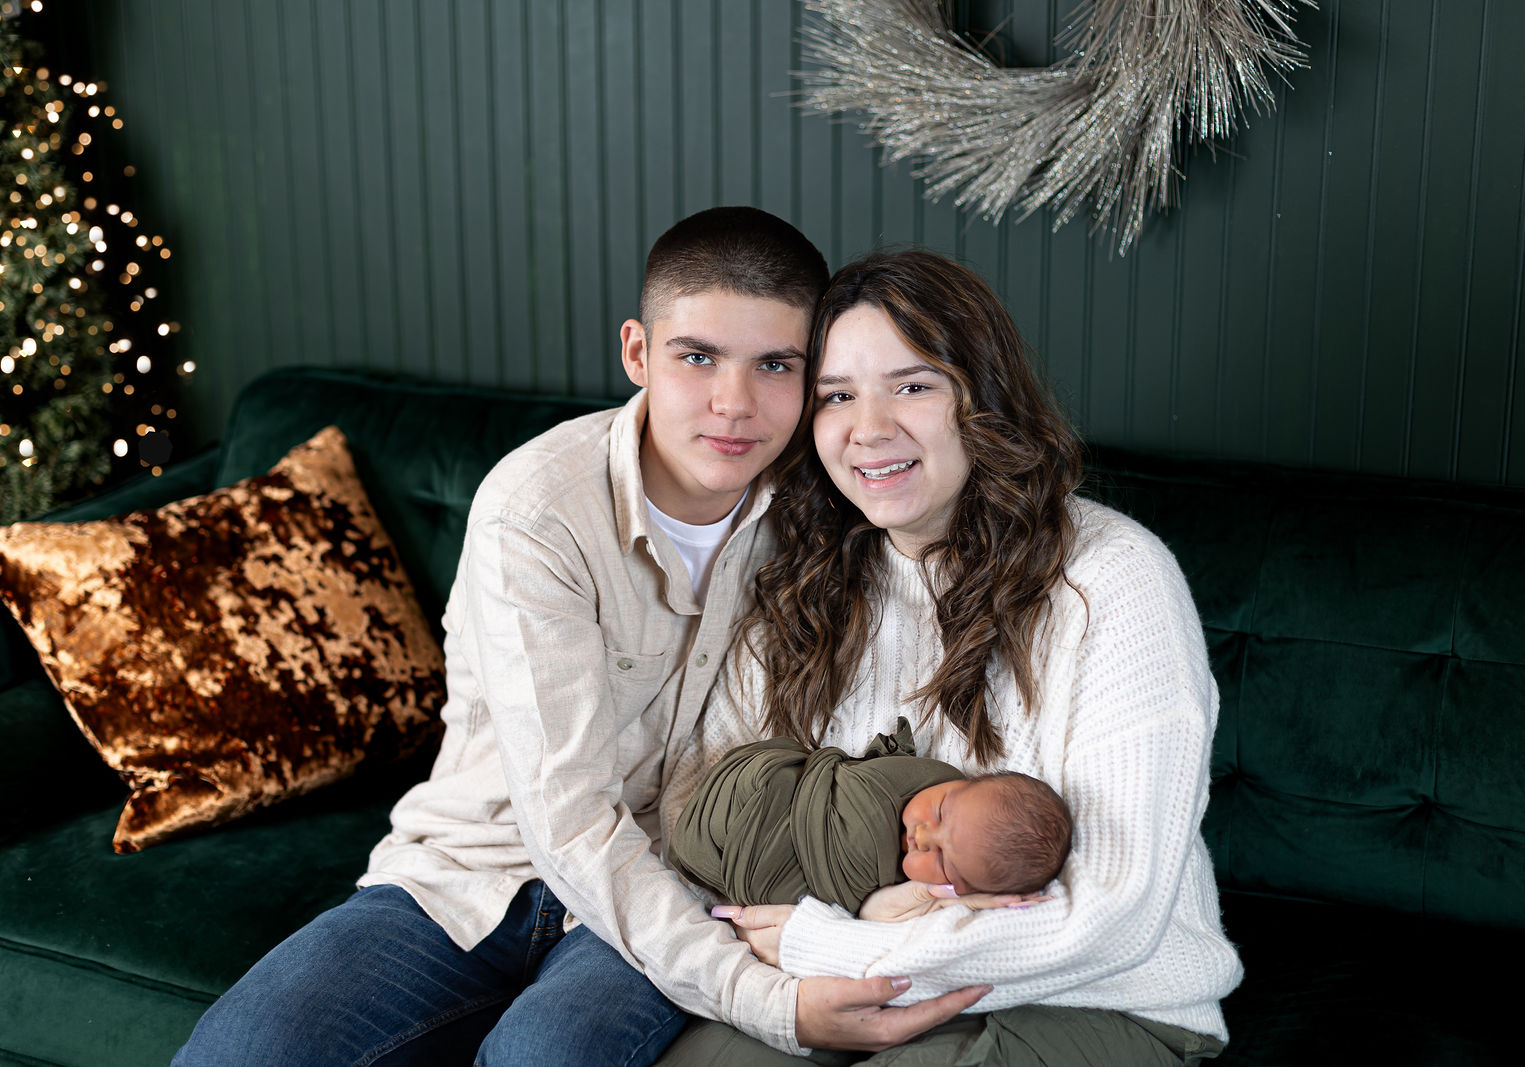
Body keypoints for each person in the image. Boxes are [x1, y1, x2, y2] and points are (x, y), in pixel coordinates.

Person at [174, 210, 989, 1066]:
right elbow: (567, 818)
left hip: (680, 881)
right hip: (473, 872)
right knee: (239, 1053)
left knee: (546, 1057)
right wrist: (770, 1002)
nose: (734, 404)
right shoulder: (537, 511)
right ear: (638, 353)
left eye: (776, 365)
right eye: (698, 356)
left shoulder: (831, 501)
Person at [658, 248, 1243, 1065]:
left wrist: (840, 950)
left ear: (984, 396)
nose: (870, 428)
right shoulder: (795, 575)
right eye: (836, 396)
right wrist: (783, 987)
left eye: (913, 385)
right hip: (818, 981)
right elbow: (699, 811)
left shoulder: (1110, 576)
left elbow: (1116, 915)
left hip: (1090, 999)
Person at [666, 717, 1072, 912]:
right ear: (969, 778)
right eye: (942, 812)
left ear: (962, 887)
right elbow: (854, 778)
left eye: (944, 861)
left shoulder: (917, 897)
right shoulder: (932, 777)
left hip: (758, 863)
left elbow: (860, 911)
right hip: (766, 794)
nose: (924, 836)